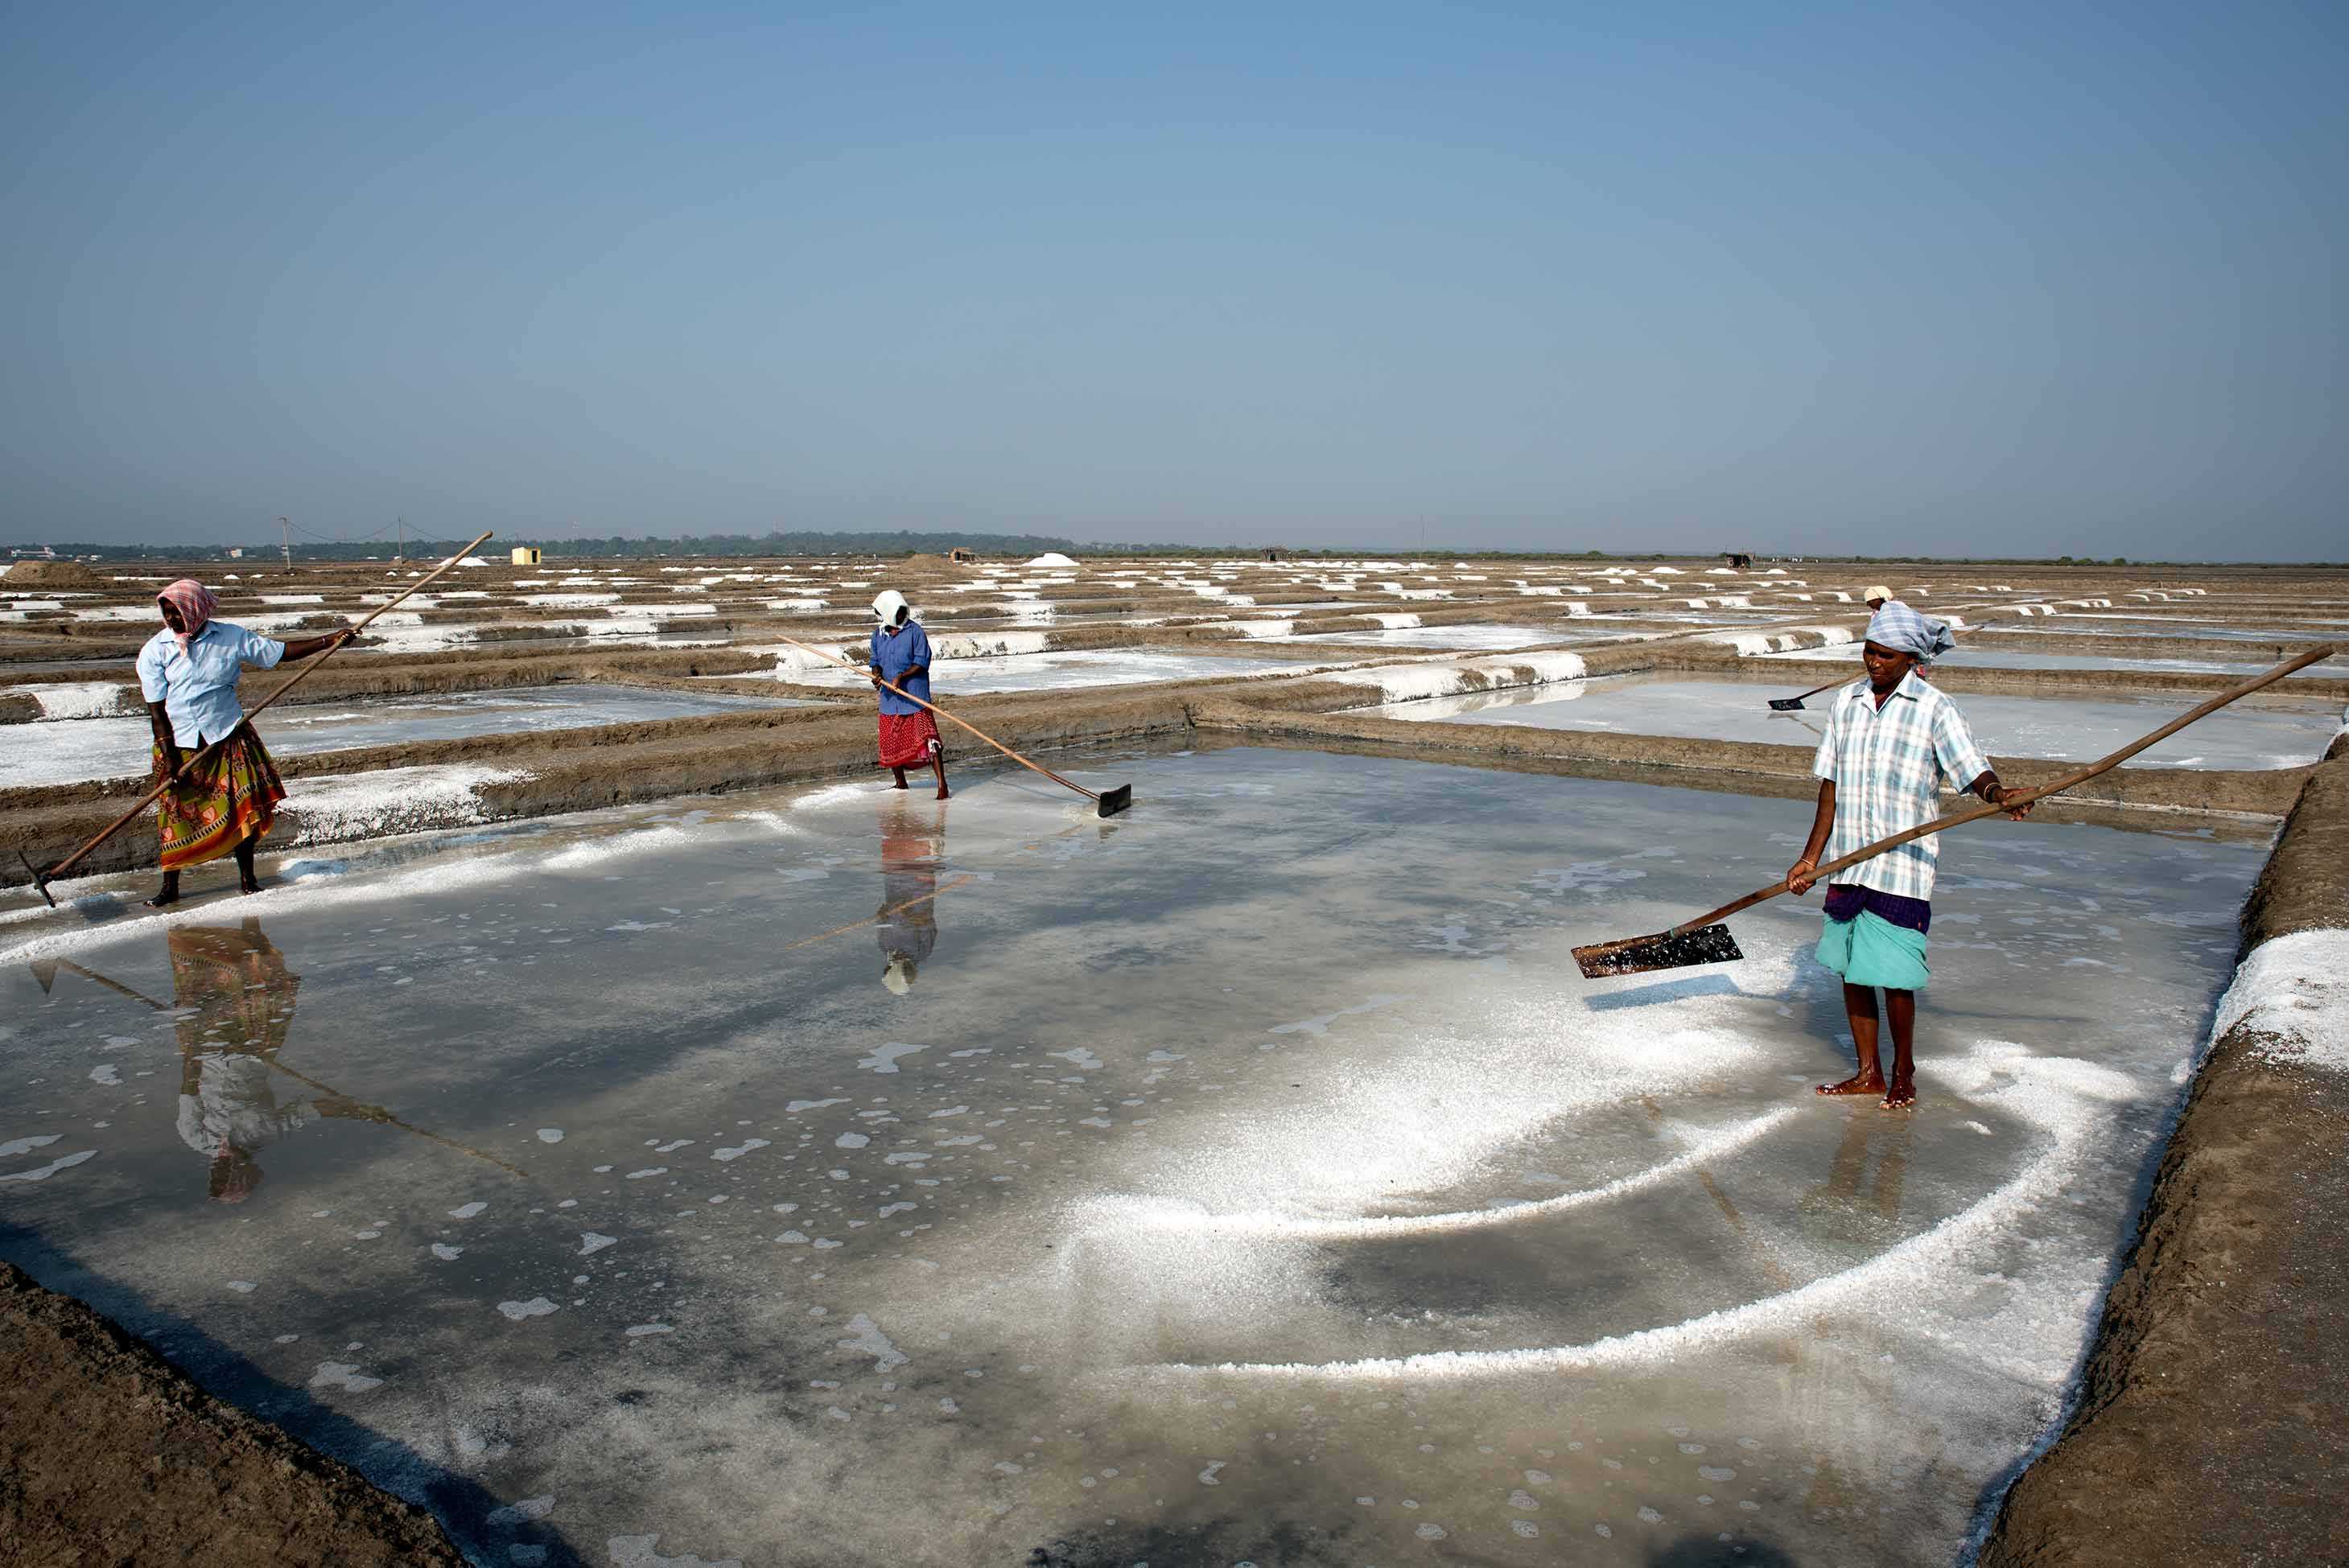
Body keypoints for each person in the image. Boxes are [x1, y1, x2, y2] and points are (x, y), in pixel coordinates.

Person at [1785, 601, 2034, 1109]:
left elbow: (1971, 768)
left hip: (1903, 863)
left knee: (1896, 977)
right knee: (1853, 970)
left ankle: (1904, 1073)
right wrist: (1811, 858)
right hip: (1849, 859)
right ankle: (1868, 1072)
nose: (1873, 661)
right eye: (1868, 651)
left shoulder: (1935, 707)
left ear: (1910, 658)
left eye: (1885, 655)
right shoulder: (1846, 703)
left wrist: (1999, 794)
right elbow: (1829, 786)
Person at [136, 580, 351, 906]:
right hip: (177, 741)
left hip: (226, 733)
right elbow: (157, 712)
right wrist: (169, 758)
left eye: (177, 613)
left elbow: (277, 653)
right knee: (176, 813)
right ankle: (170, 887)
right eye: (167, 614)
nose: (172, 620)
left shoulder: (230, 637)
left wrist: (328, 641)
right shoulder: (156, 650)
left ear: (195, 610)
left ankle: (248, 879)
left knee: (242, 808)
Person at [867, 589, 949, 799]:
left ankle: (942, 785)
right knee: (890, 741)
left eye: (903, 612)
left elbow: (922, 661)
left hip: (915, 698)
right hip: (889, 699)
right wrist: (877, 676)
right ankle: (900, 782)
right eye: (898, 612)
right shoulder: (878, 635)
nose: (902, 616)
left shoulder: (915, 632)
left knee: (929, 740)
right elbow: (875, 663)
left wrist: (901, 677)